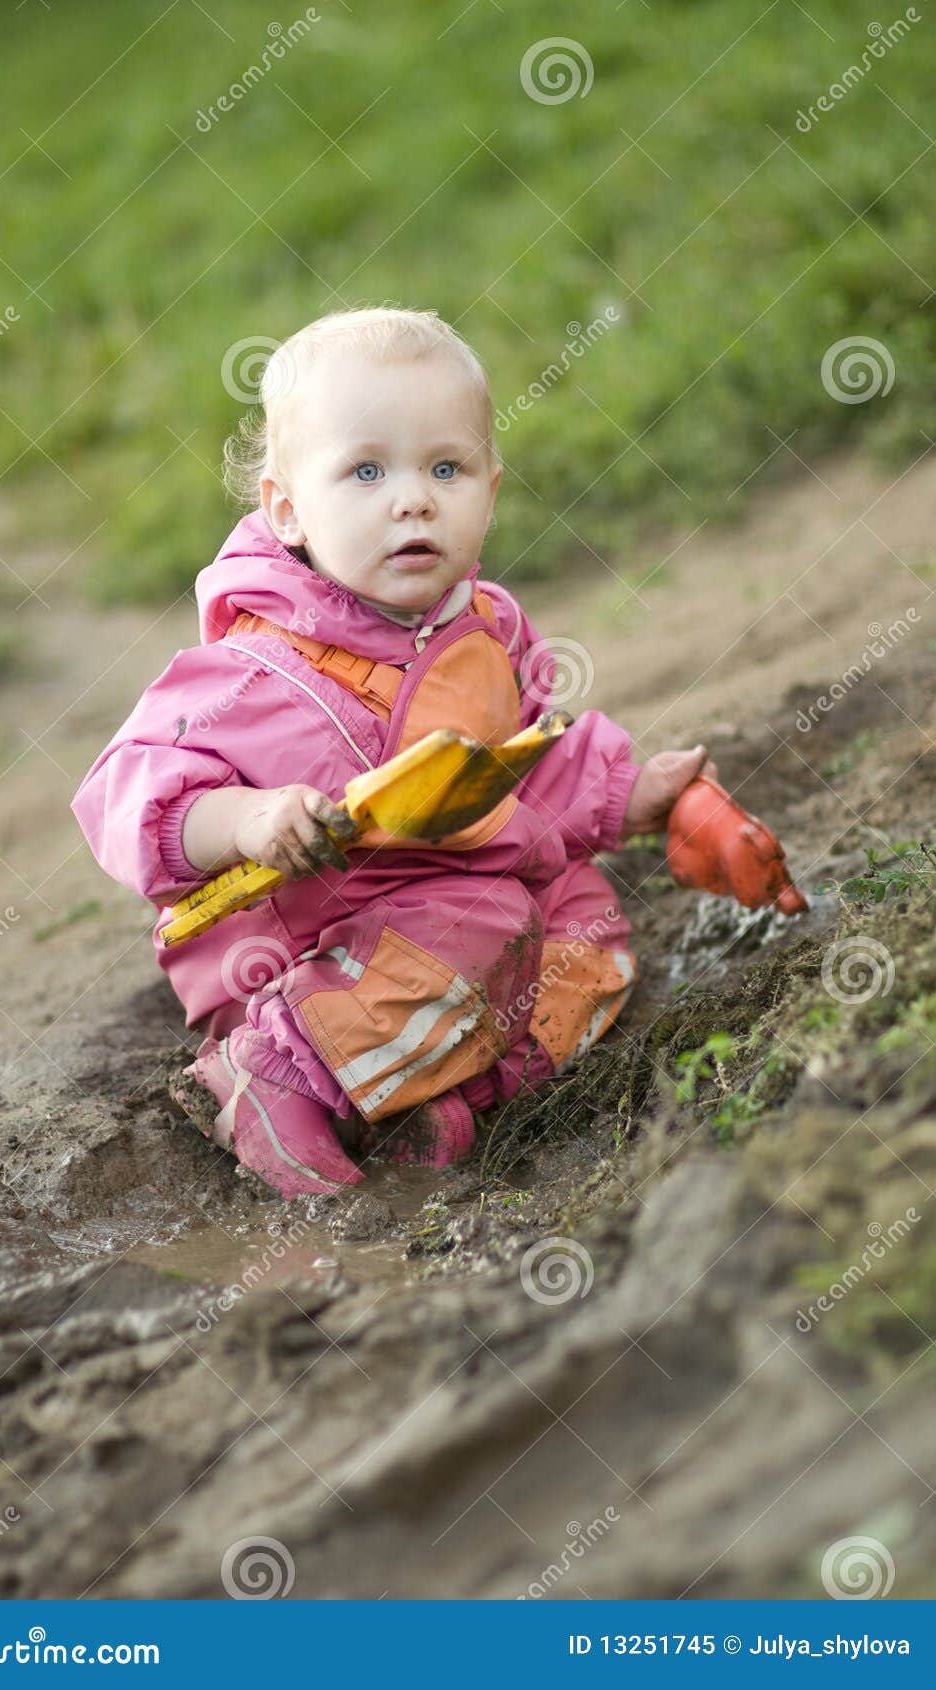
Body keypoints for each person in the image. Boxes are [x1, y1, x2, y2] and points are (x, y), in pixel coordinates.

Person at [70, 306, 717, 1200]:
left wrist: (632, 796)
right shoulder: (254, 667)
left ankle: (441, 1099)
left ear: (490, 488)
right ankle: (274, 1076)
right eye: (366, 471)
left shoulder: (482, 625)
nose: (411, 497)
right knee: (483, 924)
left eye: (444, 468)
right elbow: (120, 790)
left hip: (455, 909)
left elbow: (525, 762)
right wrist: (247, 820)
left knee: (585, 926)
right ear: (288, 510)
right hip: (305, 949)